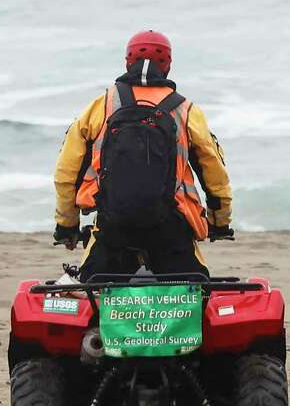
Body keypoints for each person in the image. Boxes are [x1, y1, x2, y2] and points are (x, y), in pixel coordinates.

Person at [53, 30, 233, 280]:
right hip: (171, 225)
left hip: (113, 225)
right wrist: (219, 222)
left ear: (127, 62)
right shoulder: (187, 110)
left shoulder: (101, 105)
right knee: (195, 291)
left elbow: (67, 172)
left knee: (91, 289)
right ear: (168, 66)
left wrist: (67, 225)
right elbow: (214, 173)